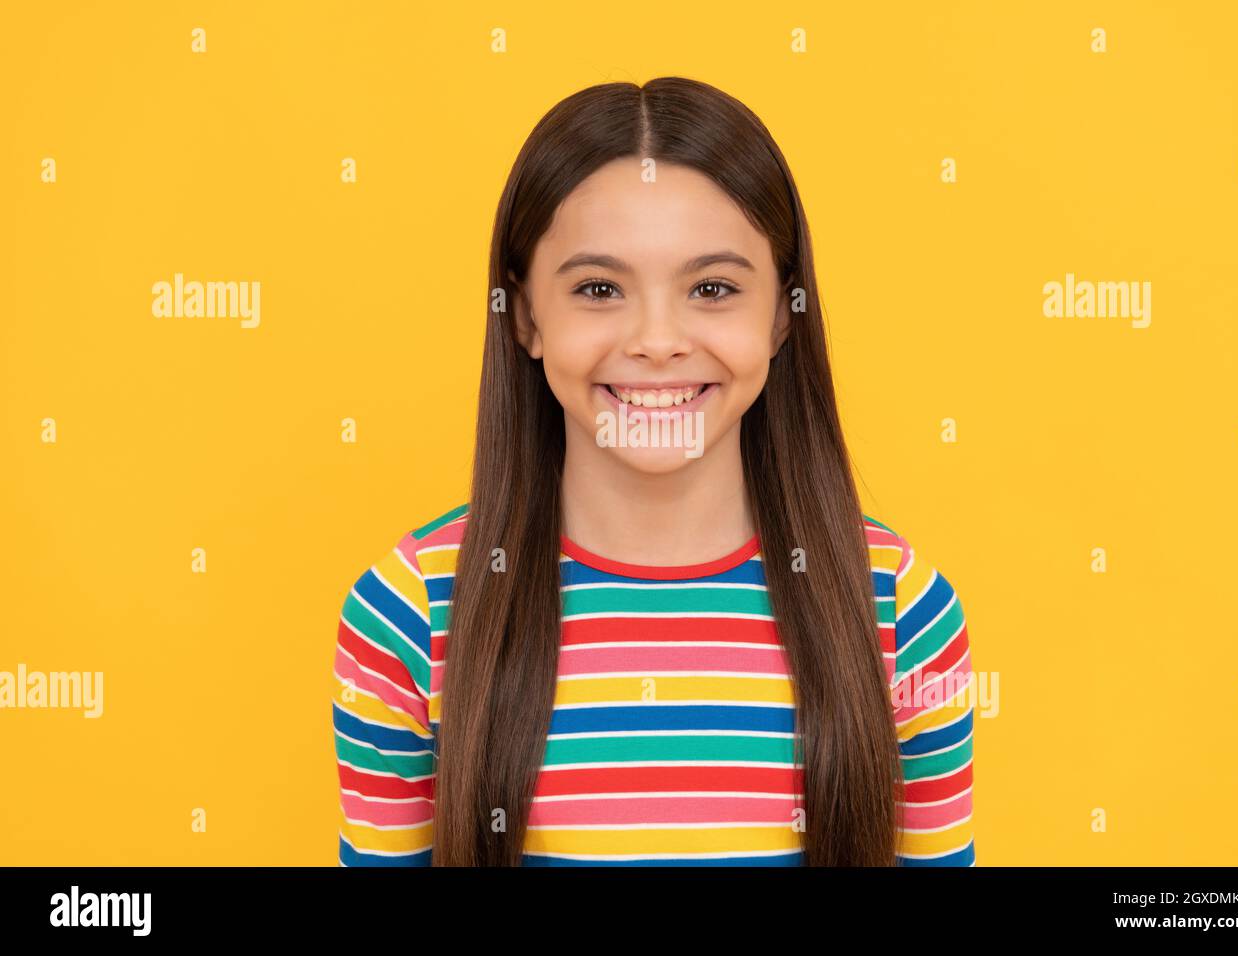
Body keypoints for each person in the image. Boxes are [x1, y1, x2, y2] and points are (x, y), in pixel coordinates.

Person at [332, 76, 975, 866]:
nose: (657, 340)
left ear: (780, 316)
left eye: (713, 289)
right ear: (527, 315)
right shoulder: (409, 611)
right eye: (599, 289)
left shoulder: (904, 611)